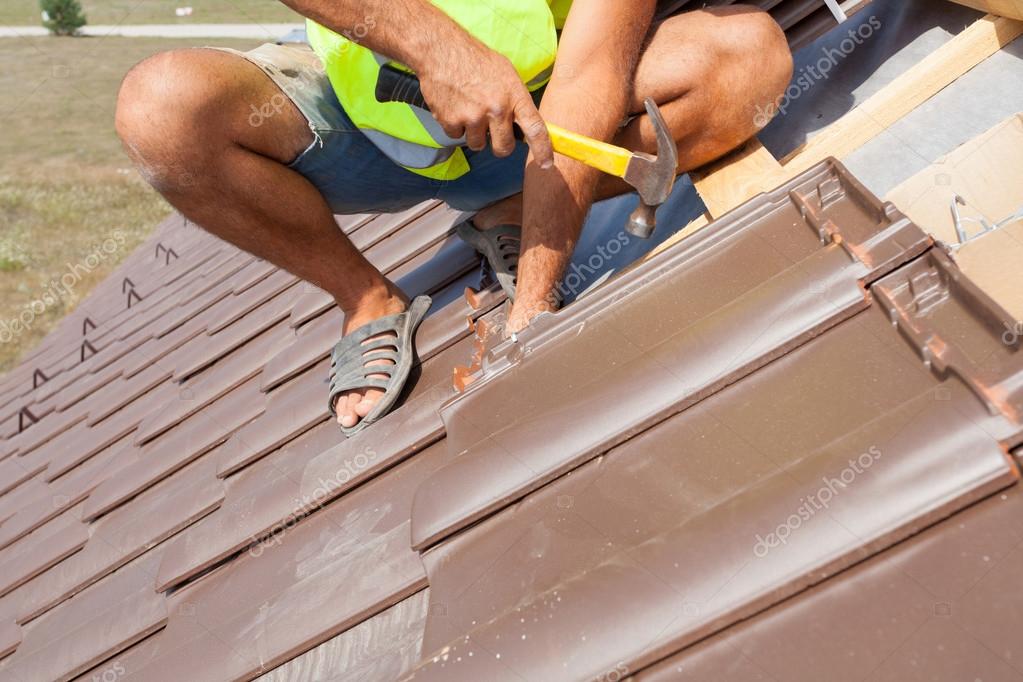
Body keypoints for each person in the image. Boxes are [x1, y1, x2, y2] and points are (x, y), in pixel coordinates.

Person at [114, 1, 793, 435]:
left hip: (532, 132)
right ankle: (366, 302)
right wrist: (431, 46)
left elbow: (588, 75)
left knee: (742, 61)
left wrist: (530, 310)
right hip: (365, 124)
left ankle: (514, 210)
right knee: (162, 109)